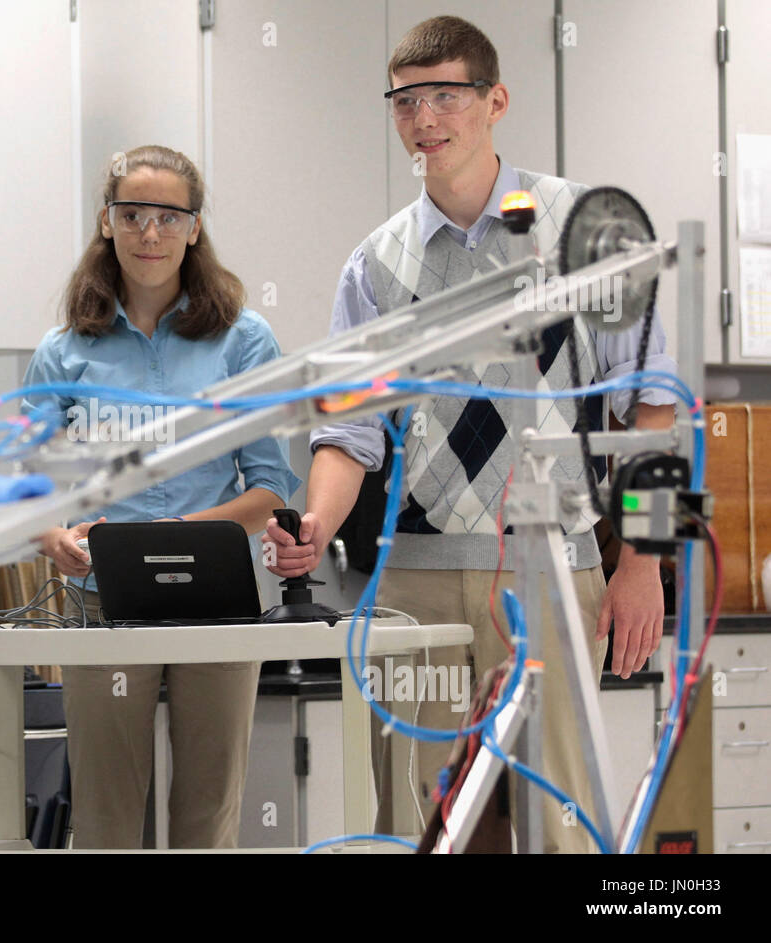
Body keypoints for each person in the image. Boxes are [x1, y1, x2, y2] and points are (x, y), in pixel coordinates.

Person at [264, 16, 678, 852]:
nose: (425, 119)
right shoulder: (375, 266)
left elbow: (654, 404)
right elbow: (351, 432)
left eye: (446, 96)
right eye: (407, 100)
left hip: (554, 574)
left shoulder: (582, 231)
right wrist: (319, 524)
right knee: (429, 825)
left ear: (496, 100)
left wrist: (641, 558)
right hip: (414, 587)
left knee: (554, 817)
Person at [24, 145, 301, 849]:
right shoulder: (65, 350)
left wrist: (180, 531)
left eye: (168, 216)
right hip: (101, 596)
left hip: (216, 596)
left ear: (195, 227)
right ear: (107, 223)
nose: (150, 233)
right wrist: (52, 532)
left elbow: (271, 488)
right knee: (106, 814)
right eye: (133, 214)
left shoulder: (244, 341)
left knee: (208, 816)